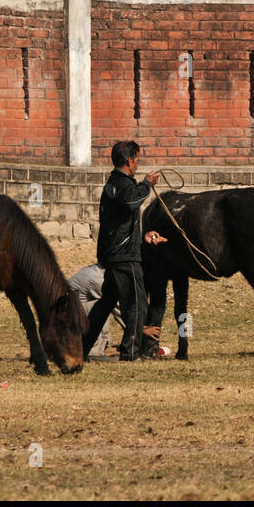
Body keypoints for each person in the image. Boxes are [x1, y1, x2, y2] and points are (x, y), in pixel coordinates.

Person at [84, 140, 167, 362]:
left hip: (115, 253)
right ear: (129, 160)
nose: (138, 164)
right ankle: (131, 353)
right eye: (137, 160)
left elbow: (119, 223)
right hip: (124, 257)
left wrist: (142, 237)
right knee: (137, 302)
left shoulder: (114, 183)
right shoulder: (124, 185)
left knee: (107, 301)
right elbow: (132, 202)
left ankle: (80, 347)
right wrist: (147, 184)